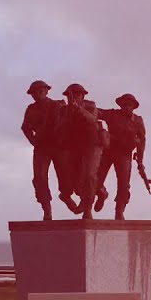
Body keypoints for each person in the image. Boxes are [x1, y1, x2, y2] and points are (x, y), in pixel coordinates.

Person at [94, 93, 146, 220]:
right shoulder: (113, 114)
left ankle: (119, 211)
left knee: (123, 185)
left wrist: (140, 161)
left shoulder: (138, 121)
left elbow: (142, 140)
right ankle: (101, 193)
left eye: (129, 105)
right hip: (108, 151)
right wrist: (82, 104)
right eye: (124, 104)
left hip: (124, 155)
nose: (126, 106)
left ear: (133, 106)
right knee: (95, 179)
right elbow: (97, 112)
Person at [56, 83, 104, 219]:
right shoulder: (64, 110)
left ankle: (88, 209)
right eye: (70, 95)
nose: (74, 97)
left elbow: (92, 119)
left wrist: (77, 108)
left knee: (89, 175)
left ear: (83, 95)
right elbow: (61, 126)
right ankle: (100, 191)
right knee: (77, 180)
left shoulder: (90, 105)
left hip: (92, 144)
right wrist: (69, 110)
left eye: (77, 94)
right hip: (74, 146)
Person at [20, 80, 64, 220]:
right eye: (34, 93)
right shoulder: (31, 109)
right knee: (39, 178)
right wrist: (34, 141)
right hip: (41, 148)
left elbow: (65, 126)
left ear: (46, 91)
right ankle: (47, 209)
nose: (37, 95)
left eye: (40, 91)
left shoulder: (56, 106)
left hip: (57, 146)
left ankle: (66, 195)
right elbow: (25, 127)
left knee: (65, 177)